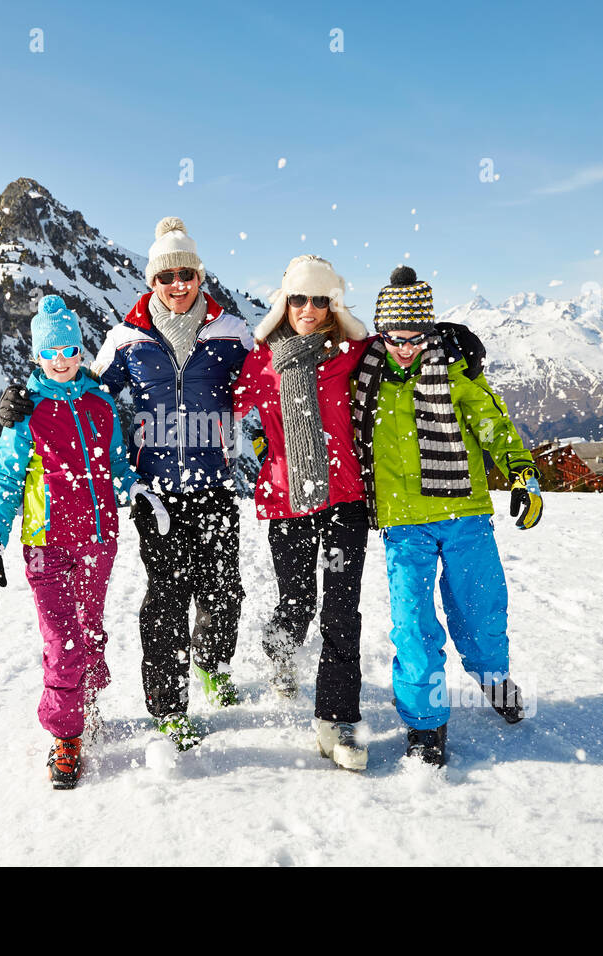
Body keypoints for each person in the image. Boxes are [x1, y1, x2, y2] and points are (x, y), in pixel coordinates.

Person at [0, 217, 250, 752]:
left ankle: (211, 661)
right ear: (151, 282)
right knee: (166, 598)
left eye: (186, 273)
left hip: (214, 484)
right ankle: (169, 709)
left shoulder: (231, 334)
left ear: (199, 276)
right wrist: (24, 398)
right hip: (155, 490)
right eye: (166, 276)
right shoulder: (127, 339)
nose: (177, 284)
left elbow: (267, 382)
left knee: (224, 592)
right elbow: (85, 389)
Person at [350, 267, 543, 767]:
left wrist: (522, 475)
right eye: (395, 337)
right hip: (403, 523)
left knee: (480, 608)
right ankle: (426, 724)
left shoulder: (456, 371)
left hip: (464, 512)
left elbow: (492, 424)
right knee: (413, 625)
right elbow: (316, 402)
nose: (406, 348)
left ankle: (494, 679)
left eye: (416, 337)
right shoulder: (363, 377)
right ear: (380, 332)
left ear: (430, 331)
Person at [0, 294, 169, 789]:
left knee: (91, 633)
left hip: (99, 540)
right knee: (62, 643)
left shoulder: (100, 403)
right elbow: (6, 480)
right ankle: (65, 736)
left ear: (81, 352)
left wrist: (138, 490)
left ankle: (87, 703)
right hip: (45, 544)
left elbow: (117, 464)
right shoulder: (26, 411)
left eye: (69, 351)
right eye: (51, 353)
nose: (61, 361)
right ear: (37, 356)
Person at [232, 255, 372, 771]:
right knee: (297, 602)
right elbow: (219, 402)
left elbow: (410, 352)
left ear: (333, 304)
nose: (308, 309)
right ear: (283, 302)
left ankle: (335, 719)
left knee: (340, 610)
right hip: (286, 500)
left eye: (319, 299)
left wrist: (455, 343)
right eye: (298, 299)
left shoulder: (354, 353)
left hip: (344, 500)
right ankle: (280, 650)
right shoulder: (262, 361)